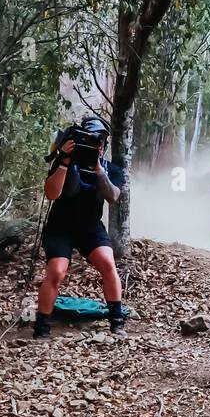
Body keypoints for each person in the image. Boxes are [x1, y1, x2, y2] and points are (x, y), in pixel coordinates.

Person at [34, 115, 131, 339]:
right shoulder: (65, 161)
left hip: (90, 227)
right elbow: (51, 194)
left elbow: (113, 197)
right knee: (57, 271)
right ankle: (42, 327)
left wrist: (97, 168)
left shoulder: (109, 169)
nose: (92, 146)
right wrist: (65, 160)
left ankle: (117, 321)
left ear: (103, 146)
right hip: (60, 226)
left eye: (97, 142)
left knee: (108, 263)